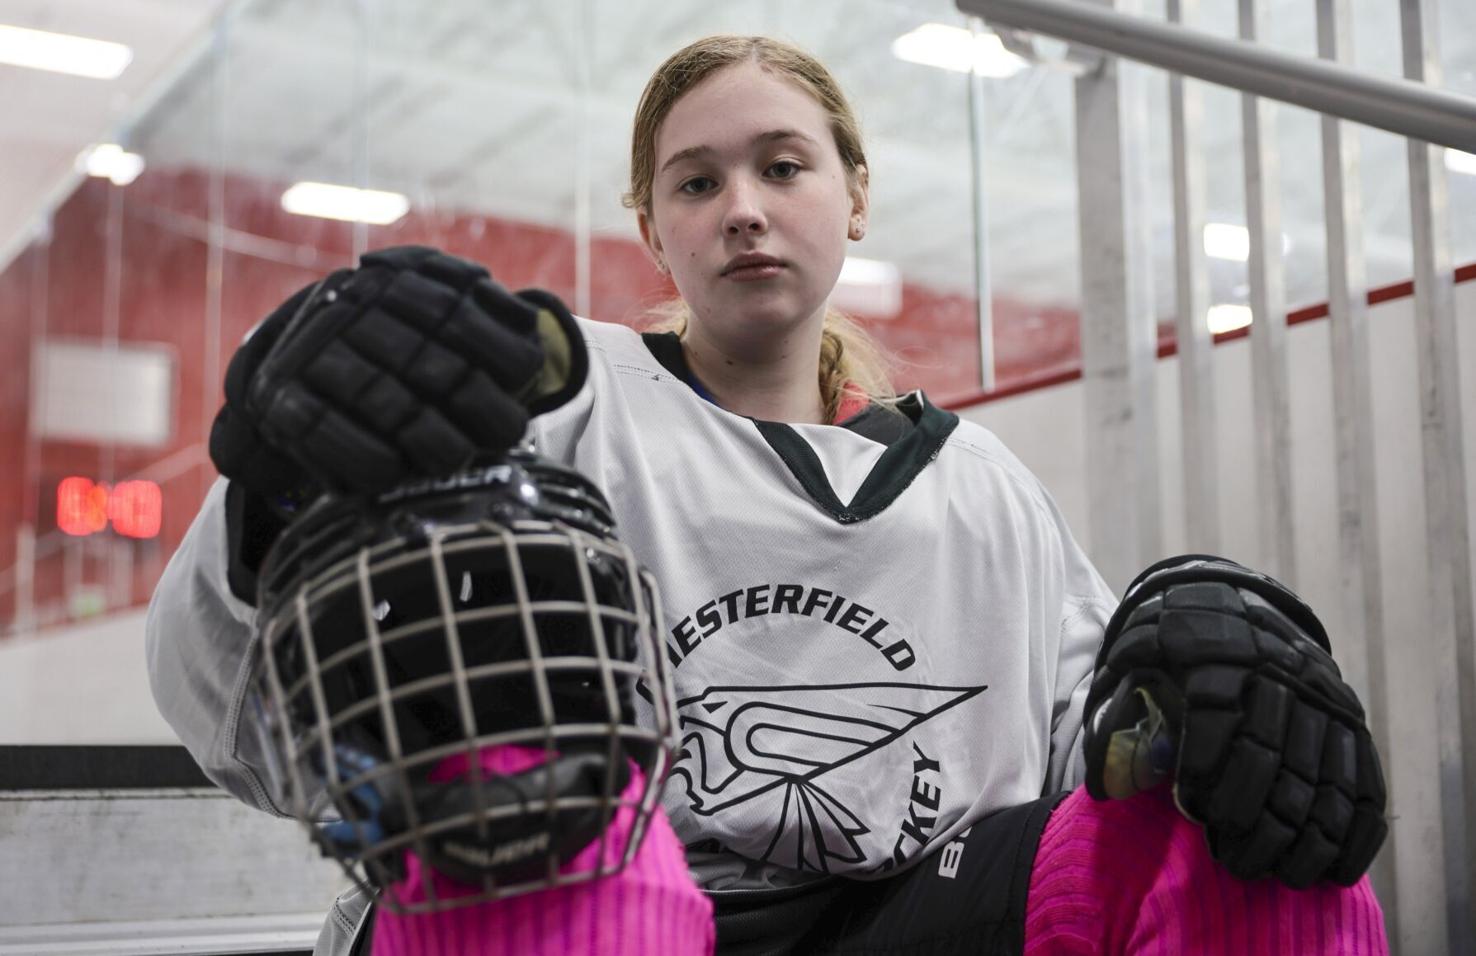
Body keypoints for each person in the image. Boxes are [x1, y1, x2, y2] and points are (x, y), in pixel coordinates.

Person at [147, 34, 1389, 955]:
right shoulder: (545, 401)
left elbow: (1085, 753)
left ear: (853, 192)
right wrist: (274, 493)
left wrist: (1190, 723)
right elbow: (233, 722)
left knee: (1249, 849)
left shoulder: (981, 486)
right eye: (696, 183)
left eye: (781, 166)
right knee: (554, 856)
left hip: (888, 917)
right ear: (654, 229)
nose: (742, 207)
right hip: (586, 899)